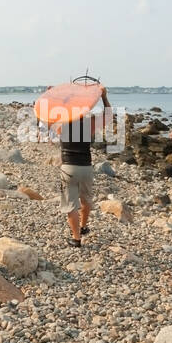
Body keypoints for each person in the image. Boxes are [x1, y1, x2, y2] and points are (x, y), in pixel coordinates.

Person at [59, 86, 111, 247]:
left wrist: (54, 95)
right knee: (86, 199)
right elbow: (108, 115)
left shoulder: (62, 123)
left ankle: (76, 239)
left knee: (71, 205)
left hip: (69, 168)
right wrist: (103, 96)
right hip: (86, 168)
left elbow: (47, 114)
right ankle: (83, 226)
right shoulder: (90, 124)